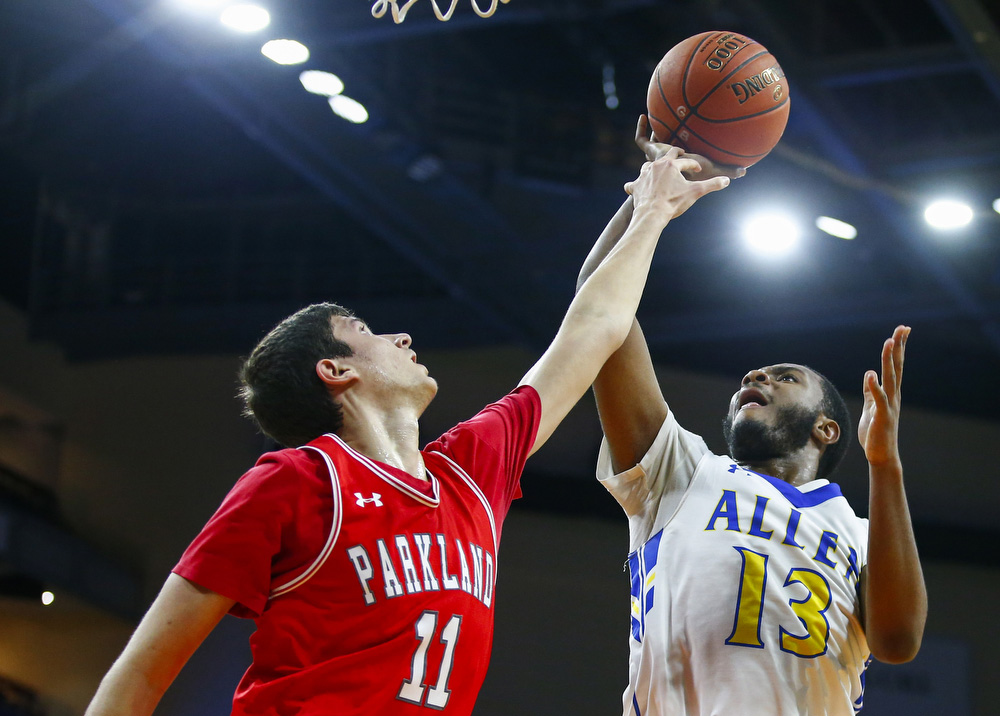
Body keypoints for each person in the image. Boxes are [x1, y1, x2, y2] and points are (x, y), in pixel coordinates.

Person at [82, 144, 730, 716]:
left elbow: (594, 328)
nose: (401, 337)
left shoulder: (469, 472)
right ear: (335, 370)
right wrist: (649, 212)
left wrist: (653, 200)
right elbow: (143, 669)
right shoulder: (298, 480)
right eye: (369, 333)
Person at [576, 118, 927, 716]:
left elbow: (897, 644)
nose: (754, 378)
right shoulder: (679, 472)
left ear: (826, 428)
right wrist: (651, 195)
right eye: (752, 377)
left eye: (784, 377)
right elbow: (599, 303)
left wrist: (885, 465)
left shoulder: (863, 533)